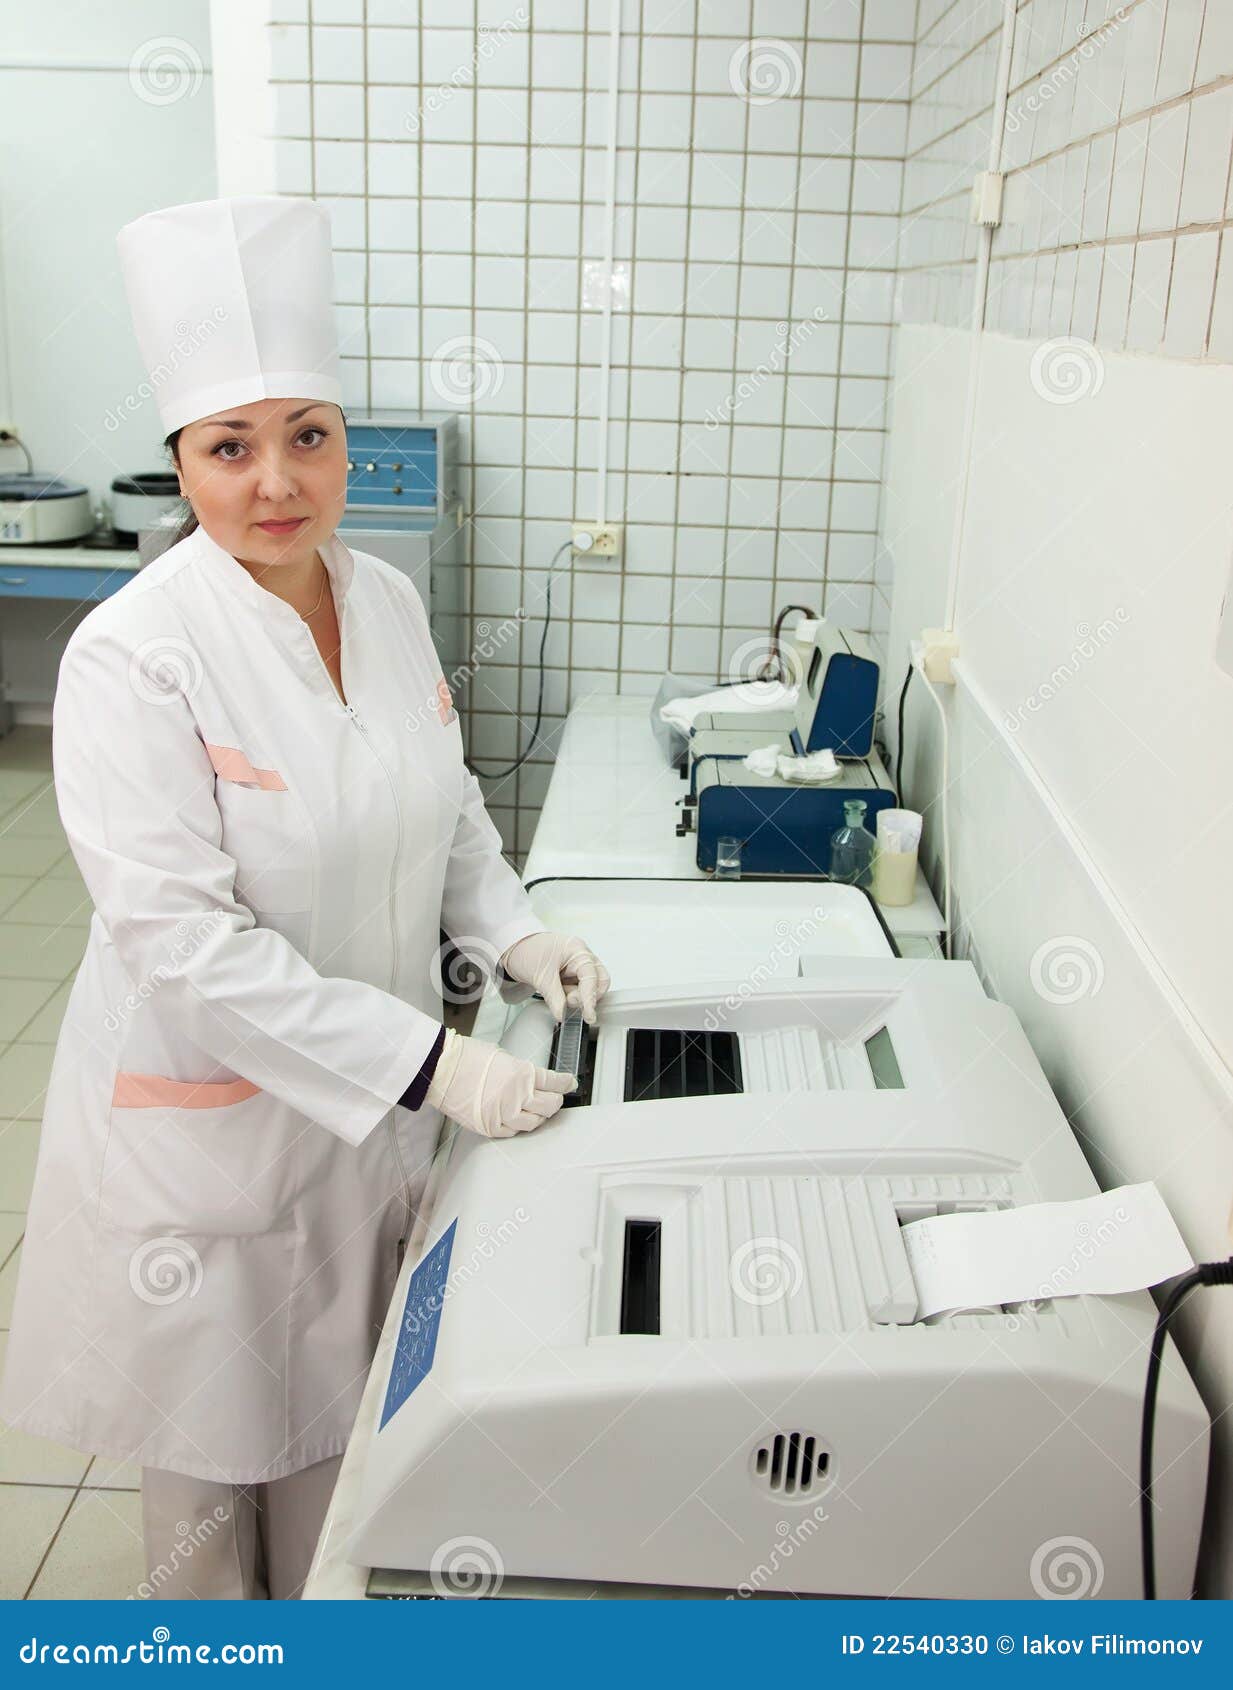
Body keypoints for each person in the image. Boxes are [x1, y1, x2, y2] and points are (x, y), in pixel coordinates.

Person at [0, 196, 609, 1599]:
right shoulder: (129, 658)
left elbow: (441, 801)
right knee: (216, 1513)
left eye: (308, 435)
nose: (277, 479)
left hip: (364, 1127)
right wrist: (428, 1062)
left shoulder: (384, 600)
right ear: (178, 466)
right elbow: (185, 948)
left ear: (345, 443)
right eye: (230, 446)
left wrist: (510, 929)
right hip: (212, 1145)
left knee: (343, 1460)